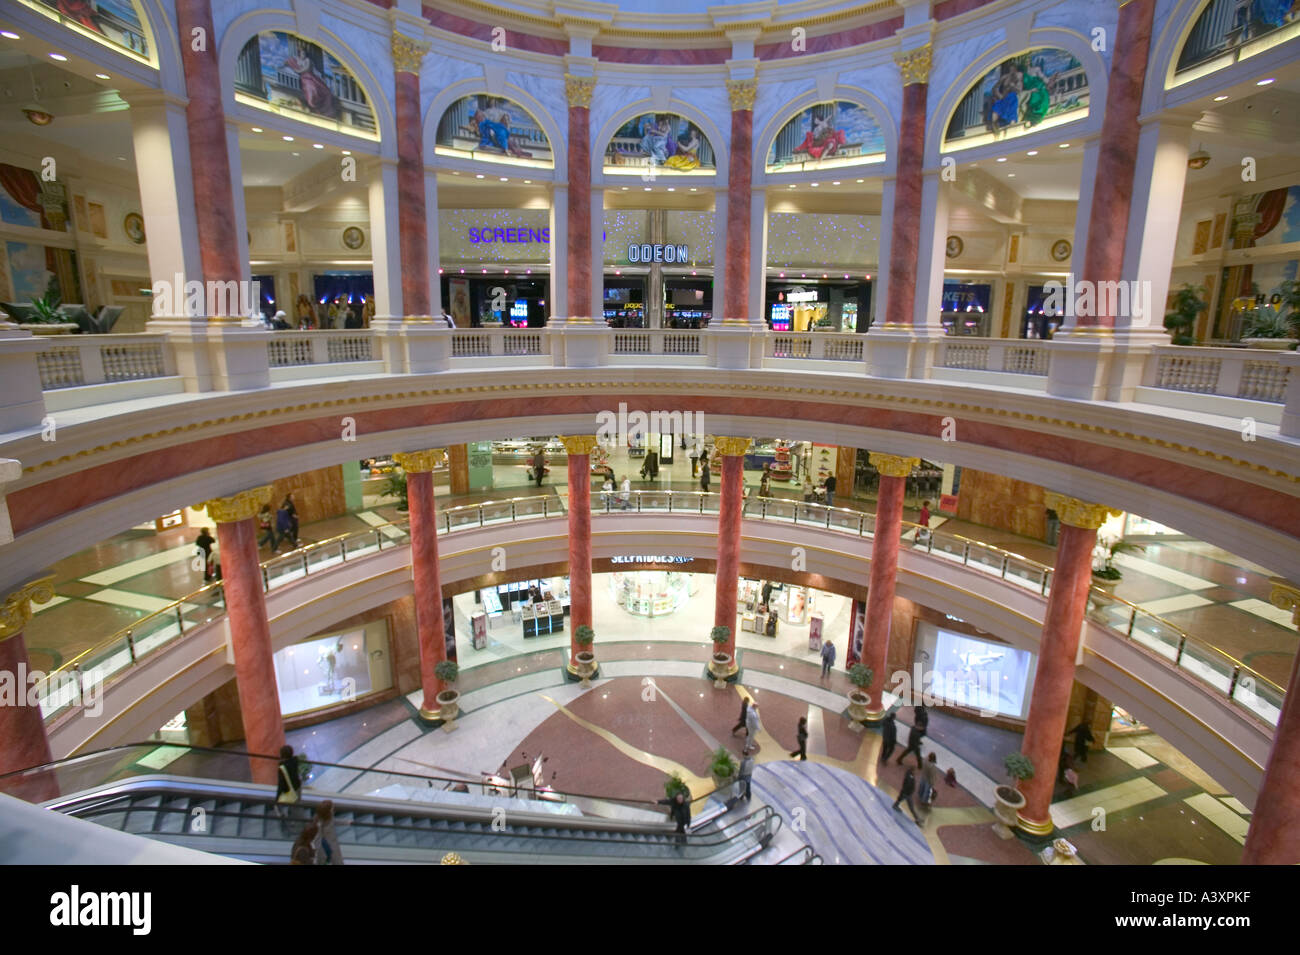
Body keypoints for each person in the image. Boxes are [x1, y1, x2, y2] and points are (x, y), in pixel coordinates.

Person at [315, 800, 343, 865]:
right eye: (332, 807)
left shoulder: (329, 817)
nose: (333, 809)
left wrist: (347, 822)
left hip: (329, 843)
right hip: (327, 845)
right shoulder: (319, 823)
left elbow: (334, 821)